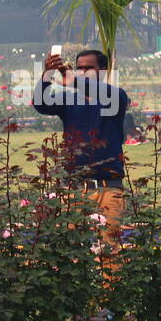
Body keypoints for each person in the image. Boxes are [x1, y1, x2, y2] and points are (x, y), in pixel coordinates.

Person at [34, 49, 129, 249]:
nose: (83, 72)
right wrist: (47, 74)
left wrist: (75, 81)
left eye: (89, 68)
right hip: (74, 187)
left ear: (103, 70)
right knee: (72, 251)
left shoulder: (115, 97)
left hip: (108, 188)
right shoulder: (70, 101)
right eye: (80, 68)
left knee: (109, 249)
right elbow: (41, 104)